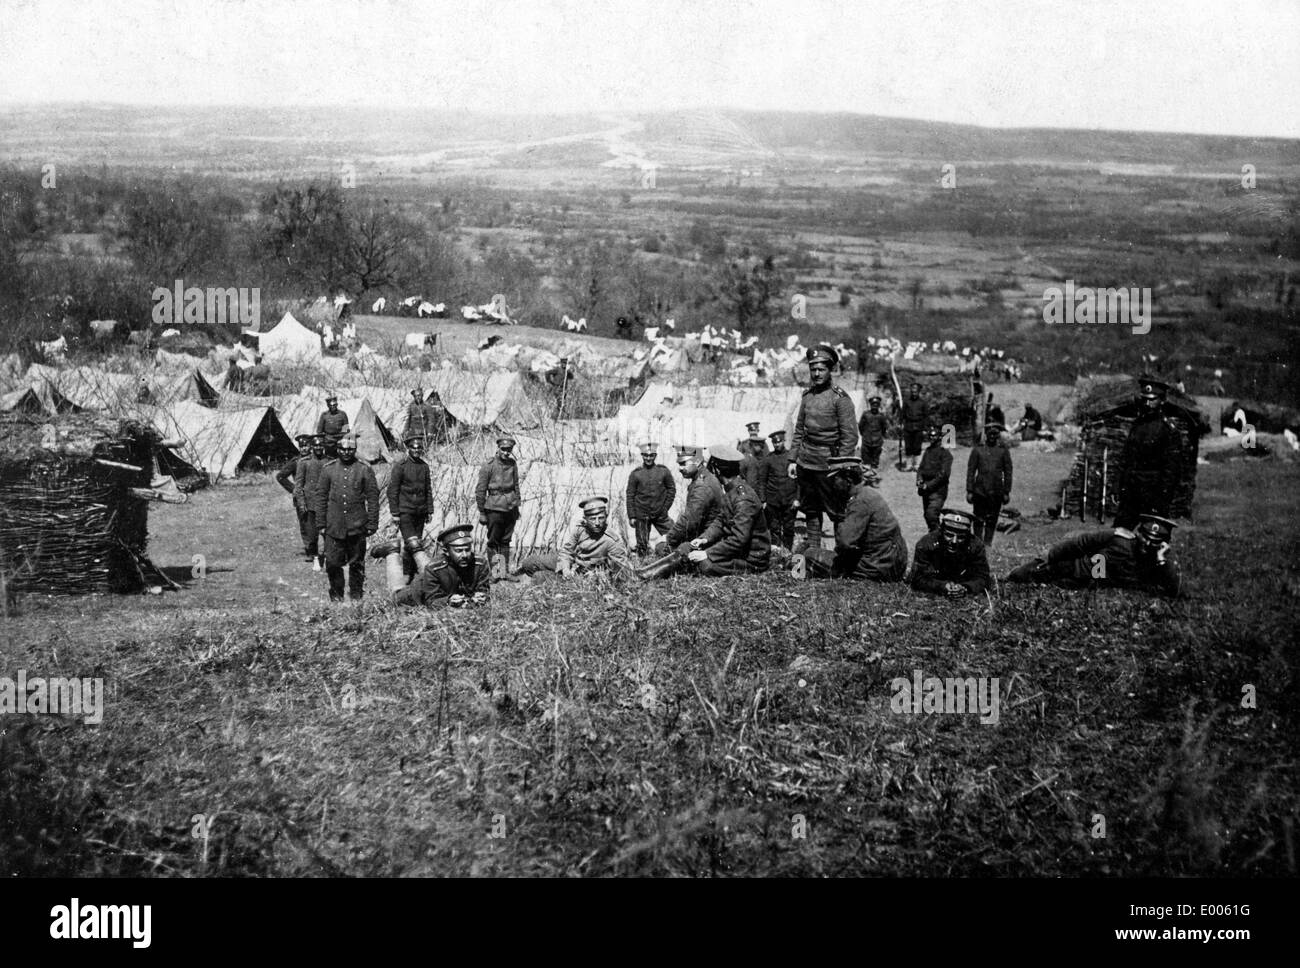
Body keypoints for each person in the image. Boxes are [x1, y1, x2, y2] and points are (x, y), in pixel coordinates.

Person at [636, 444, 770, 579]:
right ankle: (645, 573)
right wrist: (704, 539)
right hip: (738, 551)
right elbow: (720, 521)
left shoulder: (742, 499)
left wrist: (708, 553)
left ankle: (647, 574)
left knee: (704, 564)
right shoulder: (731, 491)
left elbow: (739, 539)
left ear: (717, 470)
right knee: (685, 548)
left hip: (752, 559)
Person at [1005, 513, 1181, 597]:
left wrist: (1161, 560)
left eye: (1155, 541)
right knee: (1024, 575)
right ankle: (1010, 576)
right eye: (1145, 537)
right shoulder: (1119, 538)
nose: (1148, 543)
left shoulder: (1158, 559)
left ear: (1164, 543)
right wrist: (1050, 556)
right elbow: (1080, 543)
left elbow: (1172, 590)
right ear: (1138, 533)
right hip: (1073, 571)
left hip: (1089, 586)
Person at [790, 344, 859, 551]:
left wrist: (840, 466)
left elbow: (850, 437)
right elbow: (799, 429)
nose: (817, 374)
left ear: (831, 371)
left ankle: (840, 555)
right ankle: (814, 552)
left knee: (837, 512)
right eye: (813, 369)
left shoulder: (840, 399)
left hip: (830, 466)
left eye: (822, 369)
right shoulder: (807, 396)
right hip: (806, 463)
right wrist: (793, 459)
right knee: (810, 510)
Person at [794, 460, 907, 581]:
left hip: (875, 569)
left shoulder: (859, 503)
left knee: (808, 554)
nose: (833, 484)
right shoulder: (868, 494)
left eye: (835, 479)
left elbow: (844, 543)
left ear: (848, 481)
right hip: (891, 563)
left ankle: (797, 578)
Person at [313, 435, 379, 602]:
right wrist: (321, 523)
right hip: (334, 526)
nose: (346, 452)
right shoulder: (328, 469)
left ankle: (356, 596)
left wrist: (372, 523)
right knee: (333, 564)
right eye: (343, 449)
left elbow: (373, 498)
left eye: (350, 449)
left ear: (355, 450)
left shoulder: (364, 469)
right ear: (337, 450)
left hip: (357, 526)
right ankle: (336, 596)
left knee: (357, 564)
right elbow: (320, 497)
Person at [1113, 376, 1183, 530]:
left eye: (1153, 399)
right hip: (1131, 493)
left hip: (1154, 495)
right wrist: (1118, 486)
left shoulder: (1168, 430)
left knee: (1152, 538)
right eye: (1145, 399)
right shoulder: (1138, 425)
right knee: (1119, 535)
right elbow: (1126, 459)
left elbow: (1171, 471)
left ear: (1162, 400)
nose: (1147, 403)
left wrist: (1162, 499)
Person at [513, 496, 632, 581]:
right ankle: (518, 576)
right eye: (592, 519)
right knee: (529, 562)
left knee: (540, 577)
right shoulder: (580, 529)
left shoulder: (612, 541)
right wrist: (565, 568)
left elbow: (621, 572)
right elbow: (566, 551)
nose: (597, 523)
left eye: (600, 518)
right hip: (572, 563)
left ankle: (535, 583)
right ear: (585, 518)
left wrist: (599, 577)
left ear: (606, 517)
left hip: (584, 575)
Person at [641, 446, 724, 562]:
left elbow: (690, 521)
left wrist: (668, 538)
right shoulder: (706, 478)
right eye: (679, 464)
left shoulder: (701, 487)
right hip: (709, 536)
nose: (680, 468)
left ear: (698, 461)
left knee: (661, 547)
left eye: (684, 463)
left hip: (707, 540)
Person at [383, 524, 490, 608]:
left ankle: (415, 546)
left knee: (437, 567)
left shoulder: (480, 563)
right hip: (418, 591)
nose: (465, 555)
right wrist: (447, 601)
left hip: (439, 574)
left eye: (467, 549)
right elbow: (431, 601)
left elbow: (484, 589)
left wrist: (481, 596)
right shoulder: (434, 568)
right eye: (458, 550)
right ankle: (391, 552)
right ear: (446, 551)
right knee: (396, 597)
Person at [910, 508, 993, 597]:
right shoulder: (926, 544)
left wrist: (966, 587)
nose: (954, 541)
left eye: (961, 537)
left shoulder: (975, 546)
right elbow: (917, 578)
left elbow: (984, 578)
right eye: (949, 535)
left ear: (968, 536)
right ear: (941, 531)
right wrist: (942, 586)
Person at [386, 433, 434, 581]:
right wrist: (395, 513)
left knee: (415, 543)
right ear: (408, 449)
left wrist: (429, 510)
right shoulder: (400, 466)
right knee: (411, 542)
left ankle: (413, 573)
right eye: (414, 448)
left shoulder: (424, 466)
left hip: (420, 511)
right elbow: (392, 491)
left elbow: (428, 489)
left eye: (419, 448)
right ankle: (408, 574)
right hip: (405, 510)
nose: (417, 450)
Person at [476, 435, 521, 576]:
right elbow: (480, 490)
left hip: (510, 508)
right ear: (498, 448)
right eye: (503, 449)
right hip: (494, 508)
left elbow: (516, 486)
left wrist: (517, 506)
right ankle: (496, 573)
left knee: (506, 541)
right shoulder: (488, 465)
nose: (506, 452)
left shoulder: (513, 464)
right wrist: (482, 512)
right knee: (494, 541)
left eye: (509, 450)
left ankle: (504, 572)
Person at [625, 442, 676, 556]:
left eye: (651, 455)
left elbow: (671, 490)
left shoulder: (663, 471)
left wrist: (665, 508)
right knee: (642, 544)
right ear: (642, 455)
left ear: (655, 455)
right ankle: (643, 562)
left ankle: (673, 556)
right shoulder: (635, 474)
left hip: (660, 514)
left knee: (674, 534)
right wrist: (632, 516)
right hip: (642, 515)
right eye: (645, 455)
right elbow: (630, 495)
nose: (648, 458)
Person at [967, 422, 1013, 545]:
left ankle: (988, 543)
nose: (992, 436)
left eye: (995, 434)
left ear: (998, 436)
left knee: (992, 518)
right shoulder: (978, 450)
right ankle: (977, 542)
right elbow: (971, 471)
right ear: (986, 435)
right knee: (978, 518)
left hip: (996, 491)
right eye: (990, 433)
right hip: (979, 491)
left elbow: (1008, 472)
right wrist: (970, 491)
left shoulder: (1003, 452)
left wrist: (1006, 492)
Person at [759, 429, 799, 551]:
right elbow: (762, 481)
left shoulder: (792, 458)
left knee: (788, 528)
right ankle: (776, 553)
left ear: (784, 441)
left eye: (779, 442)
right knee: (774, 528)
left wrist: (797, 499)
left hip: (789, 500)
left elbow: (799, 481)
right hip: (773, 501)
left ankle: (787, 552)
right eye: (775, 443)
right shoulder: (768, 459)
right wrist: (763, 500)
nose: (777, 445)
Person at [293, 435, 328, 570]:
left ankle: (327, 557)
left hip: (325, 504)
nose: (318, 448)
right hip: (310, 504)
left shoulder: (329, 462)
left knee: (328, 533)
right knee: (312, 535)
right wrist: (302, 504)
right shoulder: (304, 462)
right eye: (316, 446)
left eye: (321, 445)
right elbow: (298, 486)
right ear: (312, 447)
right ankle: (315, 559)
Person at [916, 425, 952, 532]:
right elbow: (921, 468)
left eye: (935, 436)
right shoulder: (927, 451)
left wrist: (929, 485)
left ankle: (939, 534)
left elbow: (943, 475)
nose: (932, 438)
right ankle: (934, 535)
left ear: (940, 438)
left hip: (938, 491)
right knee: (927, 516)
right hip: (925, 490)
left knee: (931, 514)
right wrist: (919, 479)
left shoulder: (945, 454)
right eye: (930, 436)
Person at [900, 383, 929, 472]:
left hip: (919, 427)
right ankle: (908, 465)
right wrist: (900, 424)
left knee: (917, 447)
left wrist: (925, 429)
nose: (914, 393)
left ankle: (917, 465)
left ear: (919, 392)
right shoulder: (907, 402)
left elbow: (926, 416)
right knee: (908, 446)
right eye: (912, 392)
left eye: (916, 392)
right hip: (908, 426)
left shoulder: (923, 403)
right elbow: (902, 414)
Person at [316, 392, 350, 459]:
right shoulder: (324, 415)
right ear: (328, 406)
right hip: (328, 442)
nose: (332, 407)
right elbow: (319, 431)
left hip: (340, 441)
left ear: (337, 404)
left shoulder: (342, 414)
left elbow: (346, 430)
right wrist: (325, 440)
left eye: (334, 405)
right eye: (330, 405)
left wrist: (341, 439)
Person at [858, 396, 889, 469]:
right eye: (873, 405)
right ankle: (866, 475)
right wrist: (864, 435)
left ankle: (873, 475)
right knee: (865, 459)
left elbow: (884, 428)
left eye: (876, 405)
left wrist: (881, 437)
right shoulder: (865, 414)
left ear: (878, 406)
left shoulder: (881, 416)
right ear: (870, 405)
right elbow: (861, 426)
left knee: (875, 460)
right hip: (866, 440)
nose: (874, 407)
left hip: (877, 441)